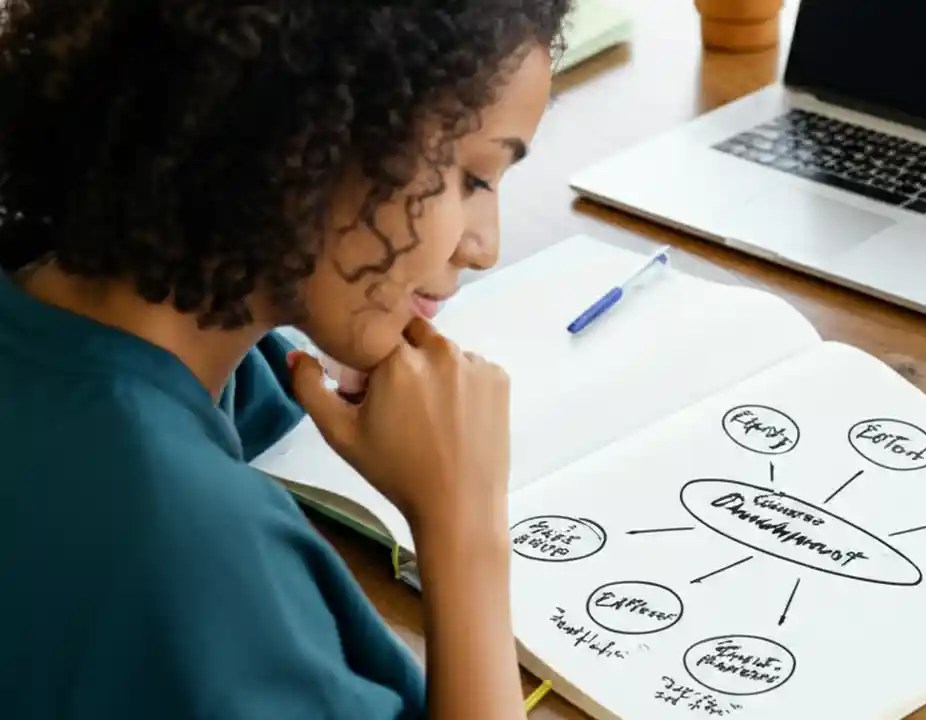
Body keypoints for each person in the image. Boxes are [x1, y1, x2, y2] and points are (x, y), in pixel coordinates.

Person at [0, 0, 571, 717]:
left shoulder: (59, 308)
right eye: (475, 178)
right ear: (307, 136)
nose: (483, 246)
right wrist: (465, 530)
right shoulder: (195, 552)